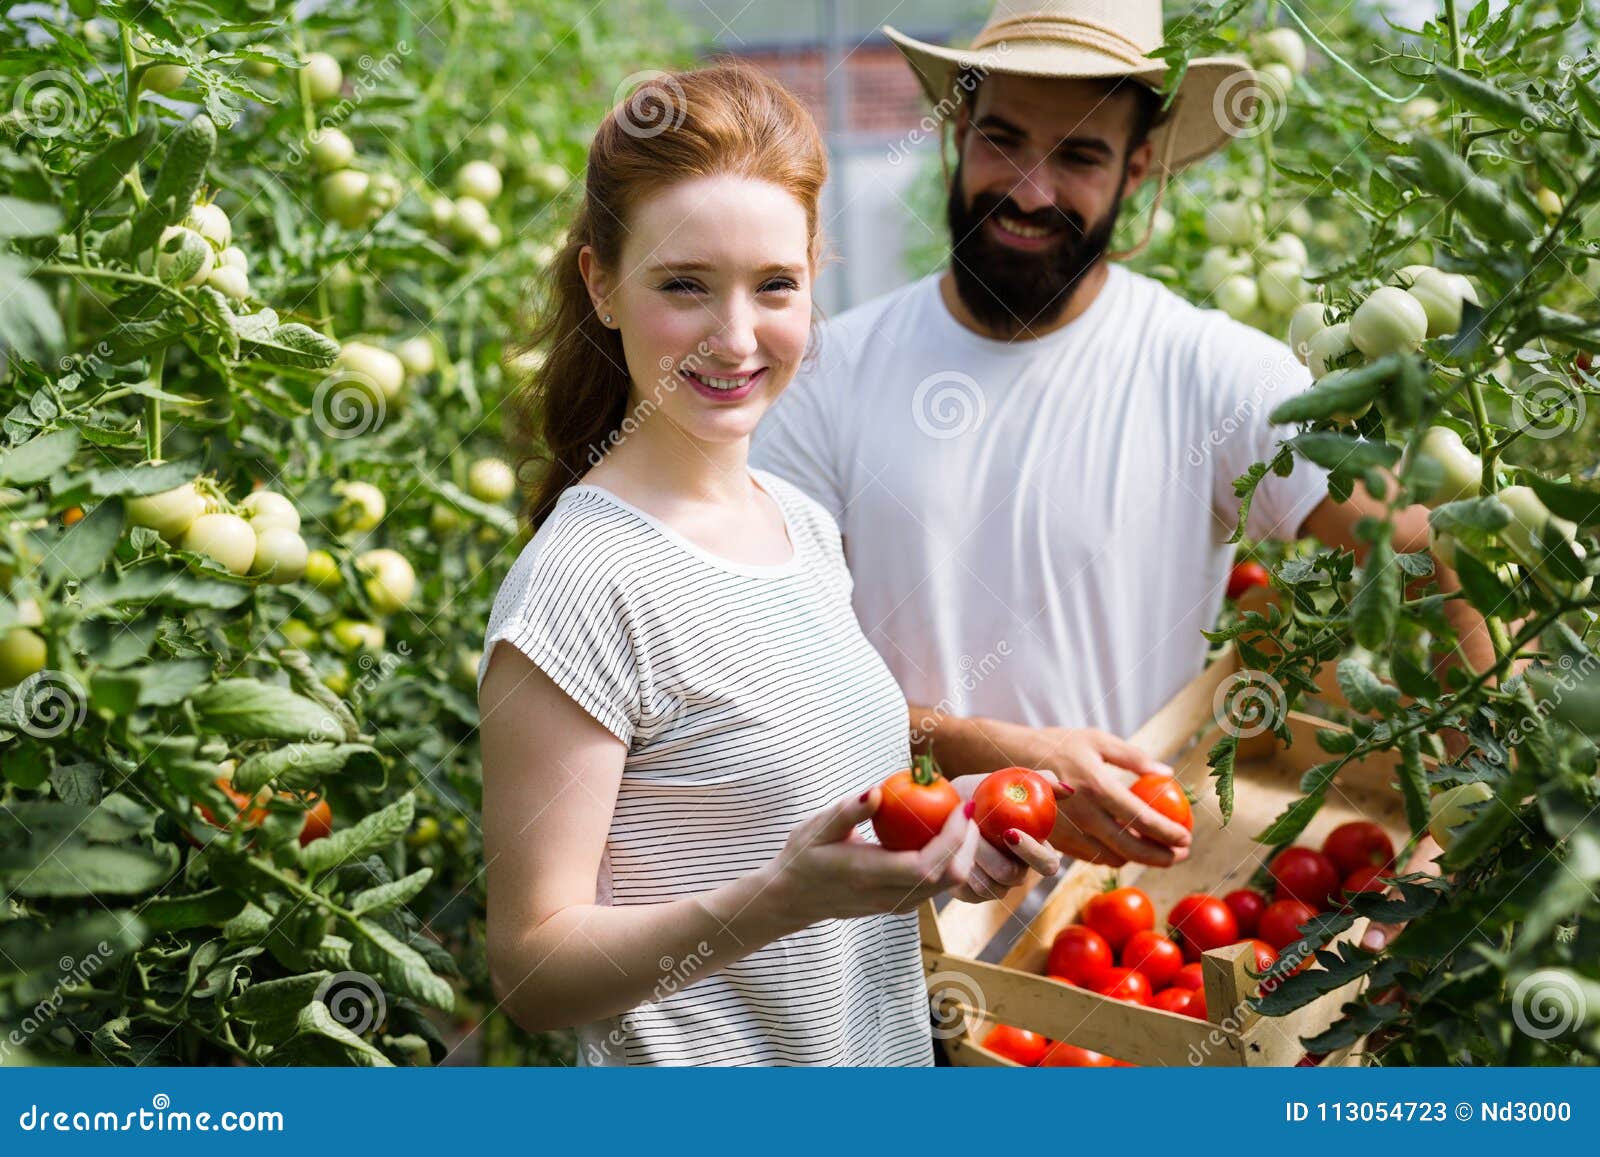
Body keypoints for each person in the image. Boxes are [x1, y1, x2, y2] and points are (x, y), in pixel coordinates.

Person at [751, 0, 1493, 896]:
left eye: (1080, 155)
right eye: (1004, 140)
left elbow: (1429, 549)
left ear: (1137, 170)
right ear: (955, 135)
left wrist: (1457, 826)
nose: (1031, 190)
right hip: (884, 924)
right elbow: (772, 674)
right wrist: (1001, 754)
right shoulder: (830, 377)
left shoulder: (1214, 374)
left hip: (1119, 934)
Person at [476, 62, 1063, 1067]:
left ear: (813, 274)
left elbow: (789, 818)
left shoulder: (794, 522)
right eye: (684, 285)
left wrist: (938, 848)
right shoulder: (582, 583)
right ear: (601, 286)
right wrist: (779, 900)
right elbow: (531, 970)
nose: (736, 337)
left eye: (774, 285)